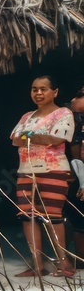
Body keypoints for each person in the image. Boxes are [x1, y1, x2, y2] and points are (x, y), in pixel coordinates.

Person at [10, 75, 75, 277]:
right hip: (26, 170)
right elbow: (14, 140)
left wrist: (28, 136)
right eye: (34, 89)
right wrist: (39, 137)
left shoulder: (63, 113)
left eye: (44, 89)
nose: (38, 93)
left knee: (52, 217)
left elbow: (56, 139)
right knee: (28, 217)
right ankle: (36, 265)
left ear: (54, 92)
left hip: (53, 170)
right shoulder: (27, 116)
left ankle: (65, 264)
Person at [68, 88, 84, 269]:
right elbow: (76, 156)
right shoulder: (68, 118)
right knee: (78, 217)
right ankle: (80, 259)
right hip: (77, 173)